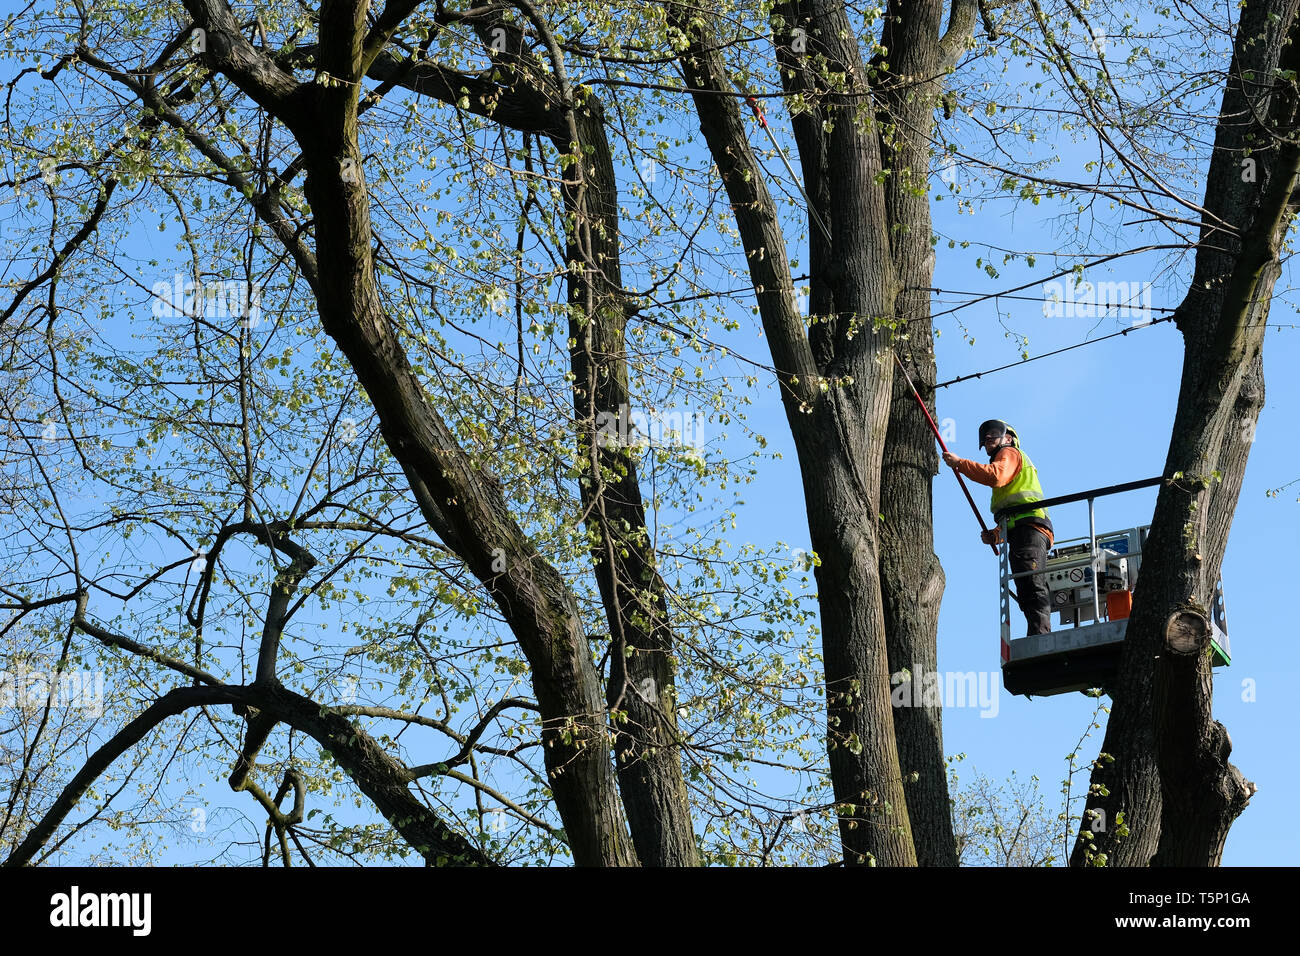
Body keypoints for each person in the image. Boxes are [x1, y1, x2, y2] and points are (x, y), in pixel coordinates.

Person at [942, 420, 1054, 635]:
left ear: (1008, 438)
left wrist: (960, 463)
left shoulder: (1010, 453)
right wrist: (996, 535)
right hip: (1023, 529)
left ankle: (1040, 635)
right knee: (1026, 584)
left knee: (1030, 584)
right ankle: (1038, 632)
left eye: (993, 434)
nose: (987, 440)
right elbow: (1014, 512)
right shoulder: (1007, 461)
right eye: (984, 438)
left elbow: (995, 476)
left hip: (1029, 529)